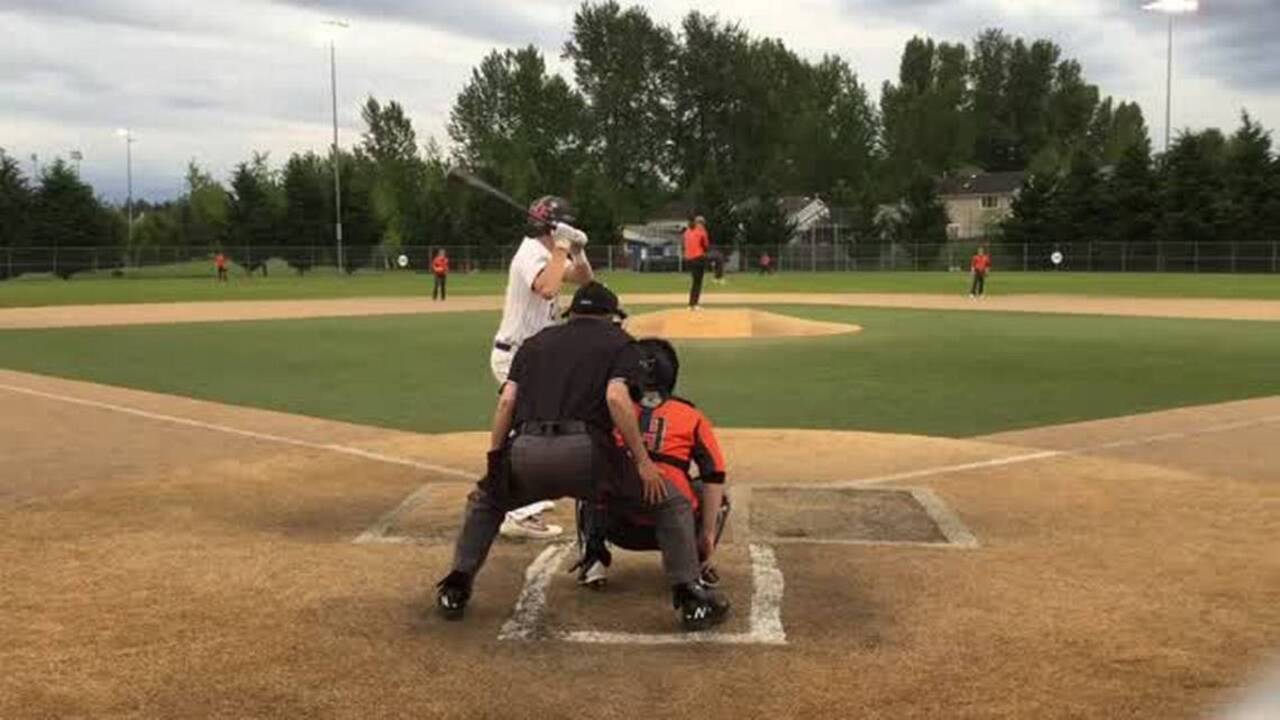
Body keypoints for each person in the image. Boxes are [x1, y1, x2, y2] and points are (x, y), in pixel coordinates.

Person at [436, 283, 730, 631]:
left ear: (571, 313)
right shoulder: (622, 343)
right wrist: (643, 461)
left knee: (486, 501)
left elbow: (507, 402)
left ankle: (456, 585)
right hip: (587, 455)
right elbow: (616, 399)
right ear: (611, 316)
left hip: (527, 449)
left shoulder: (534, 343)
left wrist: (497, 459)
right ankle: (690, 596)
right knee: (671, 502)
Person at [573, 338, 730, 591]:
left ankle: (594, 559)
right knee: (717, 495)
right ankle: (697, 561)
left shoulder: (610, 411)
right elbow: (715, 474)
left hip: (620, 527)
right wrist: (707, 534)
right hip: (677, 528)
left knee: (589, 478)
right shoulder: (691, 416)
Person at [491, 195, 595, 540]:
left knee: (539, 423)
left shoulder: (549, 254)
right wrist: (563, 246)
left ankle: (525, 498)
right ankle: (517, 512)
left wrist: (577, 249)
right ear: (552, 227)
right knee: (526, 427)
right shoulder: (531, 253)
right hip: (515, 356)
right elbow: (549, 288)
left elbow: (585, 281)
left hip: (534, 359)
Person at [683, 216, 710, 310]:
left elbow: (685, 244)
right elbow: (706, 246)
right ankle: (694, 304)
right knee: (698, 282)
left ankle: (691, 304)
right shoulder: (702, 231)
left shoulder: (687, 232)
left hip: (688, 259)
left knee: (694, 281)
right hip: (698, 258)